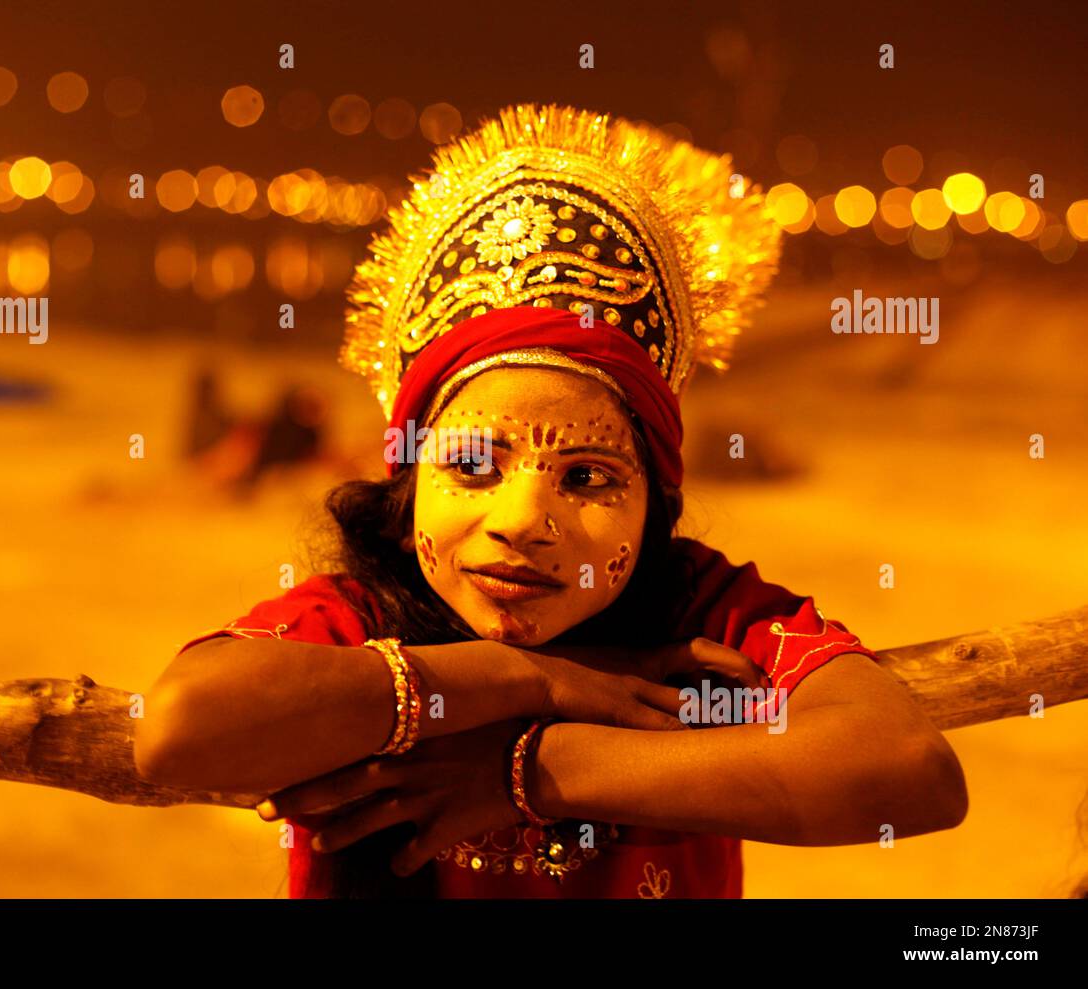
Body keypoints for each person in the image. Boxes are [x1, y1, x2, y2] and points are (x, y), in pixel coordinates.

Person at [134, 104, 967, 898]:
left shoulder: (707, 620)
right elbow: (180, 728)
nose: (524, 521)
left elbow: (906, 771)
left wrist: (527, 768)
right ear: (410, 479)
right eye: (471, 465)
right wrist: (523, 676)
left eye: (588, 477)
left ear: (655, 503)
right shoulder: (359, 619)